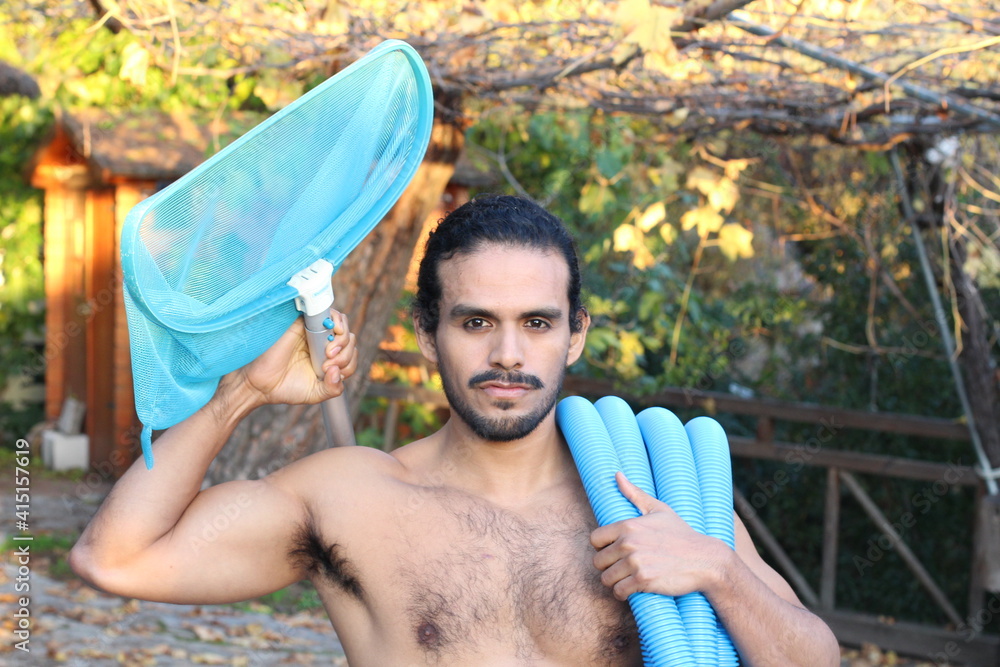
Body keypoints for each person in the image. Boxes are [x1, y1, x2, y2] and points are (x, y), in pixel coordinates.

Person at [71, 194, 841, 665]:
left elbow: (814, 660)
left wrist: (717, 571)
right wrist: (240, 392)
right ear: (428, 330)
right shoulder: (353, 497)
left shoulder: (653, 490)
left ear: (575, 334)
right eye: (477, 321)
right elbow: (117, 557)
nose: (509, 353)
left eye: (537, 323)